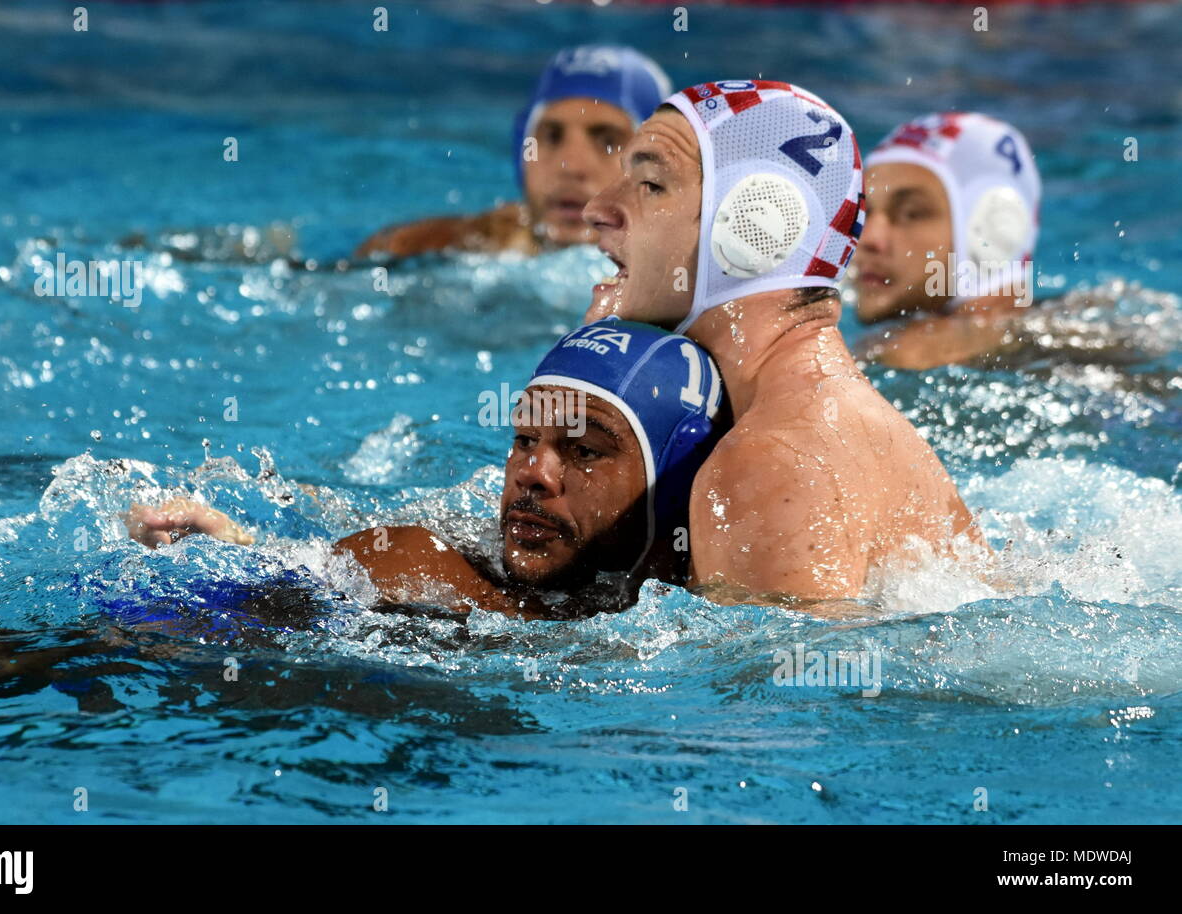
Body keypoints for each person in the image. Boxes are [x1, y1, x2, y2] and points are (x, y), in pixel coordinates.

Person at [581, 80, 983, 605]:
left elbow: (778, 683)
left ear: (752, 230)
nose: (598, 208)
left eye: (651, 184)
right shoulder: (842, 420)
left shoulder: (767, 465)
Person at [125, 319, 726, 620]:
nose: (531, 473)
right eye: (523, 438)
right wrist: (230, 549)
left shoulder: (710, 614)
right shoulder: (420, 568)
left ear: (673, 483)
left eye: (586, 451)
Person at [354, 45, 670, 259]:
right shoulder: (479, 247)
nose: (569, 166)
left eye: (607, 141)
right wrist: (462, 236)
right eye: (551, 136)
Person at [851, 112, 1042, 369]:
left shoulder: (904, 354)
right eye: (865, 212)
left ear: (991, 231)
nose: (867, 238)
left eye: (911, 214)